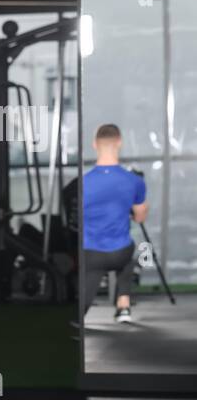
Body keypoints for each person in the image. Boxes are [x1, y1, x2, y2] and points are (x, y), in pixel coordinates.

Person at [80, 123, 147, 324]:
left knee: (81, 304)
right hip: (119, 254)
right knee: (129, 252)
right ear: (119, 143)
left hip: (90, 255)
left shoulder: (83, 181)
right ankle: (123, 306)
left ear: (94, 144)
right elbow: (140, 217)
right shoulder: (134, 181)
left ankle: (79, 317)